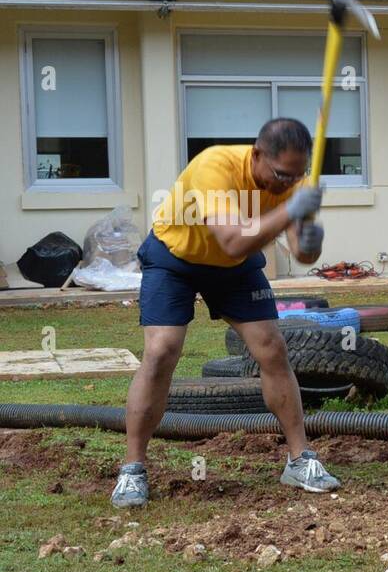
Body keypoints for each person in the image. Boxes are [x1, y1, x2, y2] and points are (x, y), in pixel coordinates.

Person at [112, 118, 339, 508]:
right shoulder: (214, 166)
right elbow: (233, 240)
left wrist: (311, 241)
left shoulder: (295, 180)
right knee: (162, 350)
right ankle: (133, 468)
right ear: (257, 156)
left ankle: (300, 460)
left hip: (236, 267)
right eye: (281, 174)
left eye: (296, 176)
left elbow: (302, 254)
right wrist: (291, 211)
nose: (288, 184)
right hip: (175, 257)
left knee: (271, 347)